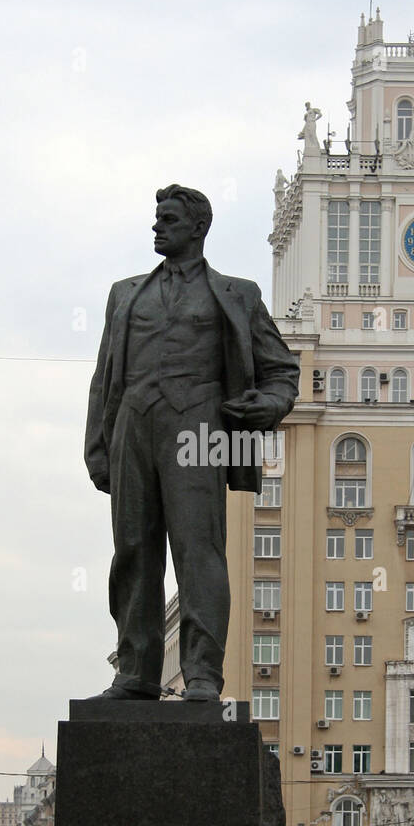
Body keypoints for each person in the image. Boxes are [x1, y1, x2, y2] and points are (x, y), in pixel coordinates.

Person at [85, 185, 300, 701]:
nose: (157, 227)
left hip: (199, 432)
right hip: (133, 429)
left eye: (168, 219)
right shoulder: (124, 293)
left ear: (197, 227)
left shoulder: (237, 294)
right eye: (157, 218)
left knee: (197, 550)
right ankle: (136, 673)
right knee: (133, 552)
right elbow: (103, 377)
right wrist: (98, 444)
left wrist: (269, 405)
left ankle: (202, 673)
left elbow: (282, 370)